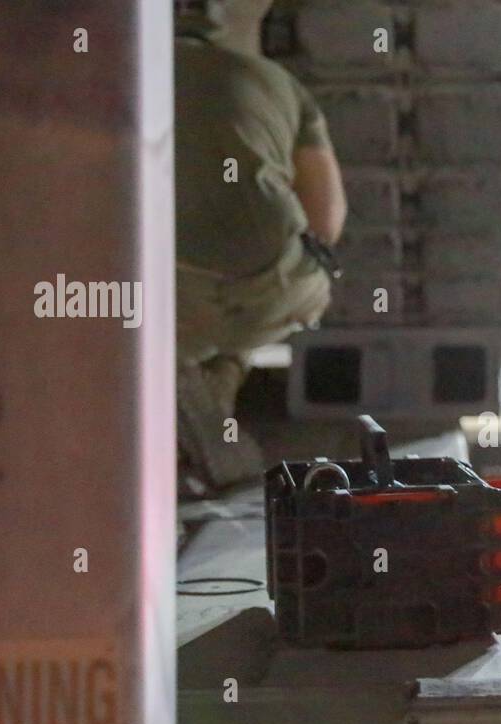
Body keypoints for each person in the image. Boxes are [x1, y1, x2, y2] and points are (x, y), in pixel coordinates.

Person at [174, 0, 347, 491]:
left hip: (171, 292)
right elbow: (327, 218)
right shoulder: (279, 82)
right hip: (273, 288)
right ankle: (213, 386)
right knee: (260, 305)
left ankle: (187, 374)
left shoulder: (116, 76)